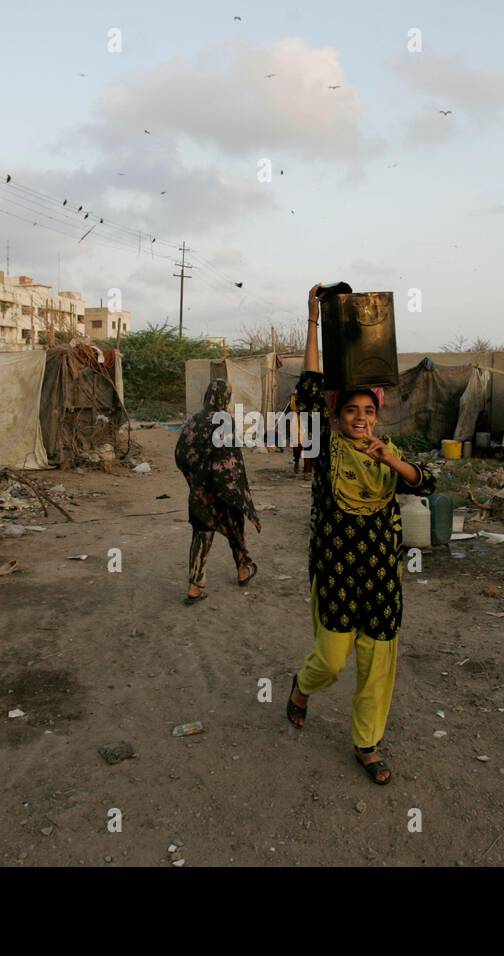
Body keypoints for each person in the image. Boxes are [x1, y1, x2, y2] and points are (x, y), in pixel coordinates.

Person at [285, 283, 436, 785]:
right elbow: (309, 386)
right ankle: (303, 687)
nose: (361, 419)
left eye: (368, 411)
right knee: (330, 662)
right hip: (336, 574)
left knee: (377, 665)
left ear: (377, 415)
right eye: (351, 411)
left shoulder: (387, 453)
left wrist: (390, 458)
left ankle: (367, 743)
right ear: (337, 416)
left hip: (380, 579)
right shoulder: (326, 449)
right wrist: (313, 319)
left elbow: (427, 481)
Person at [175, 379, 260, 605]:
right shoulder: (224, 420)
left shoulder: (193, 421)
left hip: (200, 492)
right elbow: (230, 460)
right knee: (235, 528)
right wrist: (239, 491)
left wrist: (194, 479)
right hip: (222, 489)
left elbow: (180, 454)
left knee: (202, 534)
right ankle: (243, 570)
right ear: (225, 397)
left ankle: (194, 587)